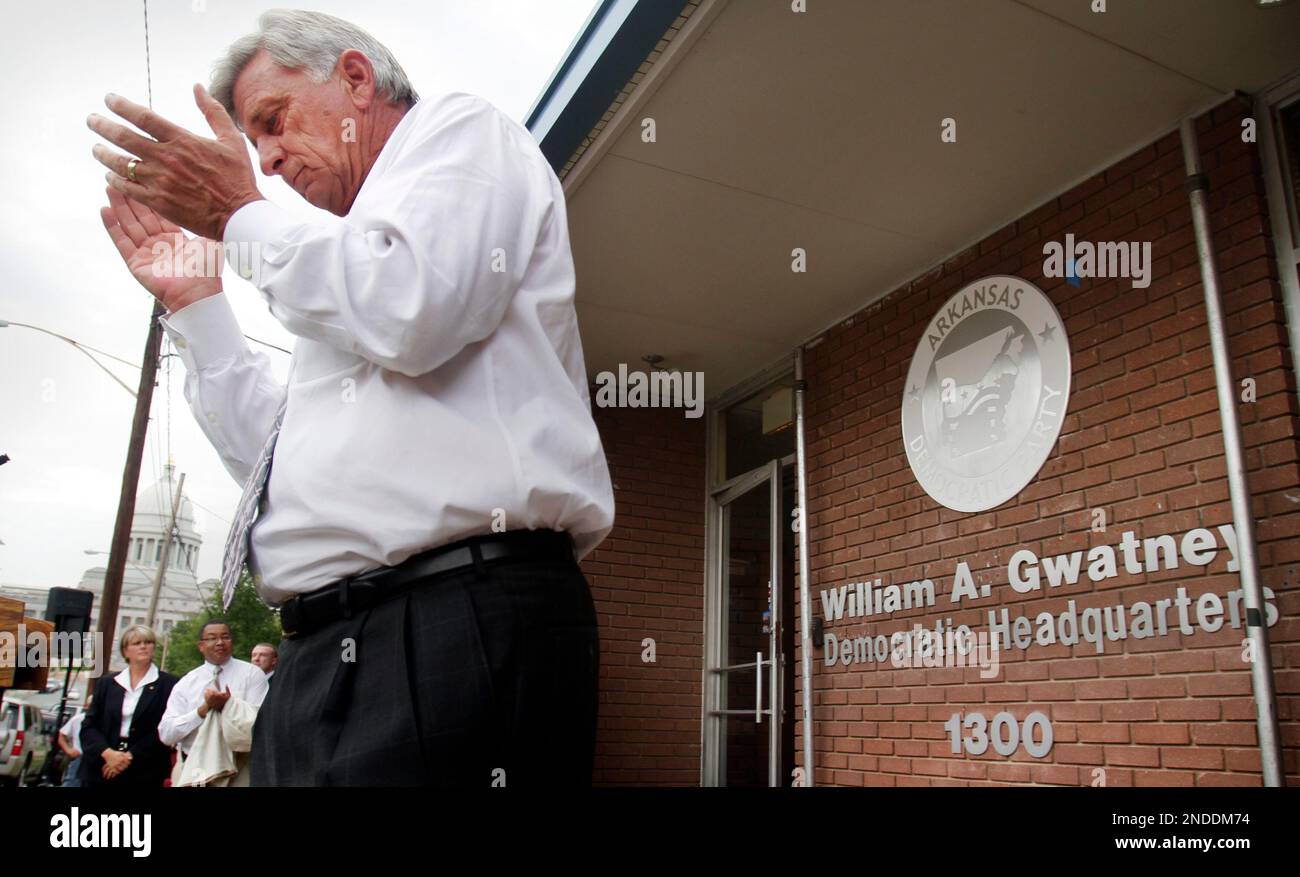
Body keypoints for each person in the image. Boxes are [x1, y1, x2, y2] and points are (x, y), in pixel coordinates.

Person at [88, 9, 613, 787]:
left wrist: (239, 219)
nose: (265, 162)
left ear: (356, 78)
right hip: (319, 655)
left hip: (450, 620)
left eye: (273, 121)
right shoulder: (337, 271)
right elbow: (277, 472)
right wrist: (199, 306)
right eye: (254, 143)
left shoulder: (462, 133)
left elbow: (411, 307)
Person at [159, 619, 268, 785]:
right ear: (201, 646)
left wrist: (229, 706)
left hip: (238, 768)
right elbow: (166, 734)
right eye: (212, 638)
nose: (219, 643)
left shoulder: (252, 675)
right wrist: (201, 711)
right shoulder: (187, 682)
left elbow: (262, 725)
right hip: (193, 768)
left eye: (225, 637)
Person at [78, 626, 178, 787]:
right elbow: (89, 726)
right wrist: (108, 754)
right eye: (137, 643)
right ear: (125, 651)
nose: (143, 646)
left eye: (148, 642)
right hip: (102, 766)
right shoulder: (107, 683)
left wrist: (128, 757)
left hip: (145, 769)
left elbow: (164, 728)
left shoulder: (170, 684)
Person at [56, 697, 90, 788]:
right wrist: (68, 750)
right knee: (72, 782)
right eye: (90, 705)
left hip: (97, 759)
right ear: (86, 706)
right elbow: (61, 735)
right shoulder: (77, 719)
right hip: (79, 757)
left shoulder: (104, 720)